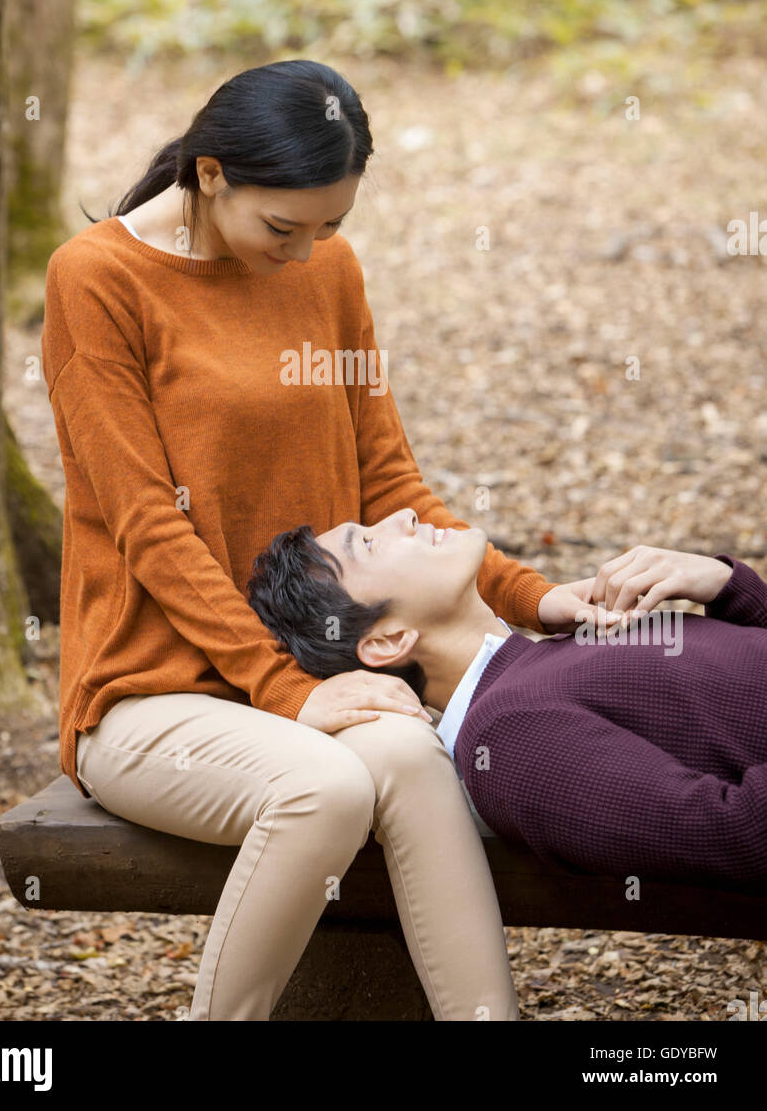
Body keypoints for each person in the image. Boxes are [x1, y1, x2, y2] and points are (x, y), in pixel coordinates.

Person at [41, 59, 610, 1022]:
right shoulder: (97, 279)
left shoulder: (326, 273)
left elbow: (389, 483)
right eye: (283, 228)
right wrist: (287, 691)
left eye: (331, 226)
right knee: (327, 788)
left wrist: (530, 595)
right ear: (210, 174)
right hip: (149, 695)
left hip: (304, 683)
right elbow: (147, 525)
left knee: (403, 752)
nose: (306, 253)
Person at [247, 510, 767, 891]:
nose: (404, 515)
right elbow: (734, 835)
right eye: (369, 544)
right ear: (386, 641)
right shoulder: (510, 738)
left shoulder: (551, 655)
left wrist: (728, 585)